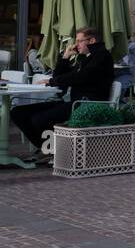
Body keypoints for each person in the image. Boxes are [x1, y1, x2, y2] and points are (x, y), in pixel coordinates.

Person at [12, 27, 114, 161]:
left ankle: (53, 149)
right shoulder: (86, 58)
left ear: (92, 40)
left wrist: (52, 81)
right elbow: (62, 76)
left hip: (86, 104)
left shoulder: (102, 56)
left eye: (79, 41)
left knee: (39, 119)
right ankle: (48, 148)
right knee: (17, 112)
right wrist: (65, 57)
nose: (76, 45)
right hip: (73, 102)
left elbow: (80, 77)